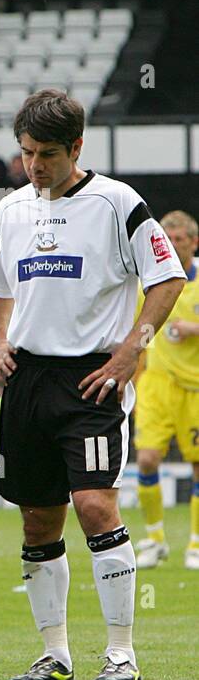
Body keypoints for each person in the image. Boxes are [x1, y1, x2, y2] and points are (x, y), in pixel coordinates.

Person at [0, 90, 185, 680]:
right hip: (27, 379)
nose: (35, 165)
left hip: (91, 379)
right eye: (26, 153)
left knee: (95, 504)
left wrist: (131, 351)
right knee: (37, 519)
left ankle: (121, 653)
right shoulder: (12, 210)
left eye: (47, 154)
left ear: (77, 147)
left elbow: (168, 277)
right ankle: (55, 655)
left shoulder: (117, 203)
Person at [131, 210, 199, 570]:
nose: (174, 246)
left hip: (195, 388)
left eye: (181, 240)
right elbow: (139, 335)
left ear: (194, 242)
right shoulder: (152, 283)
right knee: (146, 459)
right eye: (168, 240)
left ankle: (195, 542)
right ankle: (155, 538)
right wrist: (131, 380)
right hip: (157, 384)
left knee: (197, 465)